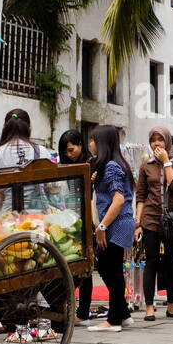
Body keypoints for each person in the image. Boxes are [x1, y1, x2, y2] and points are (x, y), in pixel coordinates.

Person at [134, 126, 173, 320]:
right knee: (151, 262)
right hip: (150, 218)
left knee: (171, 263)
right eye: (153, 140)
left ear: (167, 141)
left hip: (172, 220)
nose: (156, 143)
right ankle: (149, 306)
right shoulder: (145, 166)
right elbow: (140, 196)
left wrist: (166, 161)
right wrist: (138, 223)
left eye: (160, 139)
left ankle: (172, 306)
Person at [86, 125, 137, 331]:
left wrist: (102, 226)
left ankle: (113, 320)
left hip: (116, 224)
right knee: (111, 268)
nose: (90, 144)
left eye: (93, 139)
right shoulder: (110, 165)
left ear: (102, 143)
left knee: (109, 267)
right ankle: (123, 314)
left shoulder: (111, 167)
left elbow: (118, 199)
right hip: (116, 223)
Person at [58, 130, 97, 321]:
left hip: (87, 220)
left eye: (71, 149)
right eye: (65, 151)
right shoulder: (63, 166)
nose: (69, 154)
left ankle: (83, 312)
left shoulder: (90, 165)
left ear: (80, 145)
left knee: (86, 266)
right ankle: (65, 307)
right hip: (67, 221)